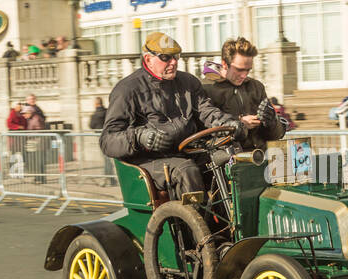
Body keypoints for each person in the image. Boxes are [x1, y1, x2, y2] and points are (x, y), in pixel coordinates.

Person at [100, 31, 244, 199]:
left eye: (176, 56)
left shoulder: (188, 82)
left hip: (188, 151)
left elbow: (206, 111)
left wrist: (227, 122)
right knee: (186, 170)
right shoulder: (127, 90)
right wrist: (139, 137)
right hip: (149, 160)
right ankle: (195, 224)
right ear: (148, 59)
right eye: (165, 57)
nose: (174, 62)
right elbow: (107, 140)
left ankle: (236, 216)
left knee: (230, 156)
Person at [202, 37, 286, 151]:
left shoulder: (256, 87)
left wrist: (272, 121)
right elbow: (204, 132)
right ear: (224, 64)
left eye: (248, 70)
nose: (244, 75)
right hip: (228, 159)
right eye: (239, 69)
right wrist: (239, 123)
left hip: (260, 155)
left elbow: (274, 136)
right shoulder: (206, 88)